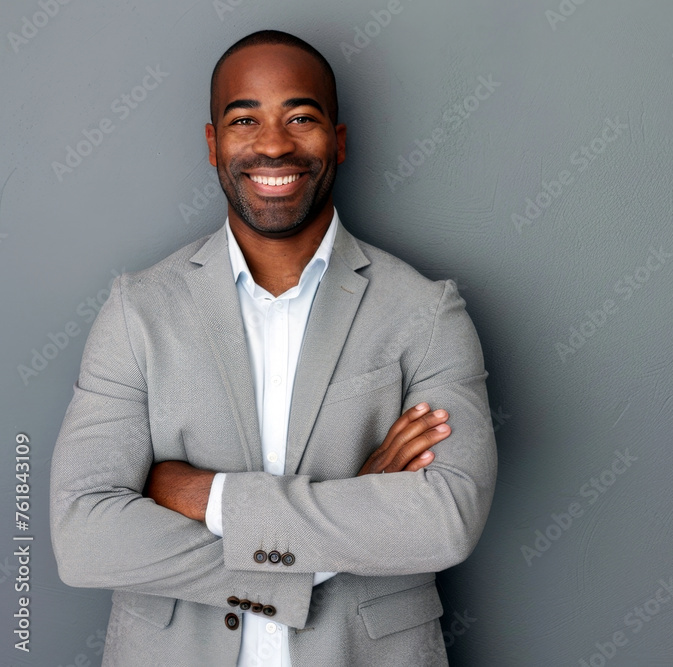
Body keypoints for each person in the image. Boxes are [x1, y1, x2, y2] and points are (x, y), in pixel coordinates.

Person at [49, 29, 497, 666]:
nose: (273, 144)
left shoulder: (426, 312)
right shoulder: (138, 310)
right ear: (213, 144)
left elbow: (446, 518)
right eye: (244, 119)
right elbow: (84, 536)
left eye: (302, 116)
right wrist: (347, 515)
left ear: (337, 139)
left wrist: (210, 497)